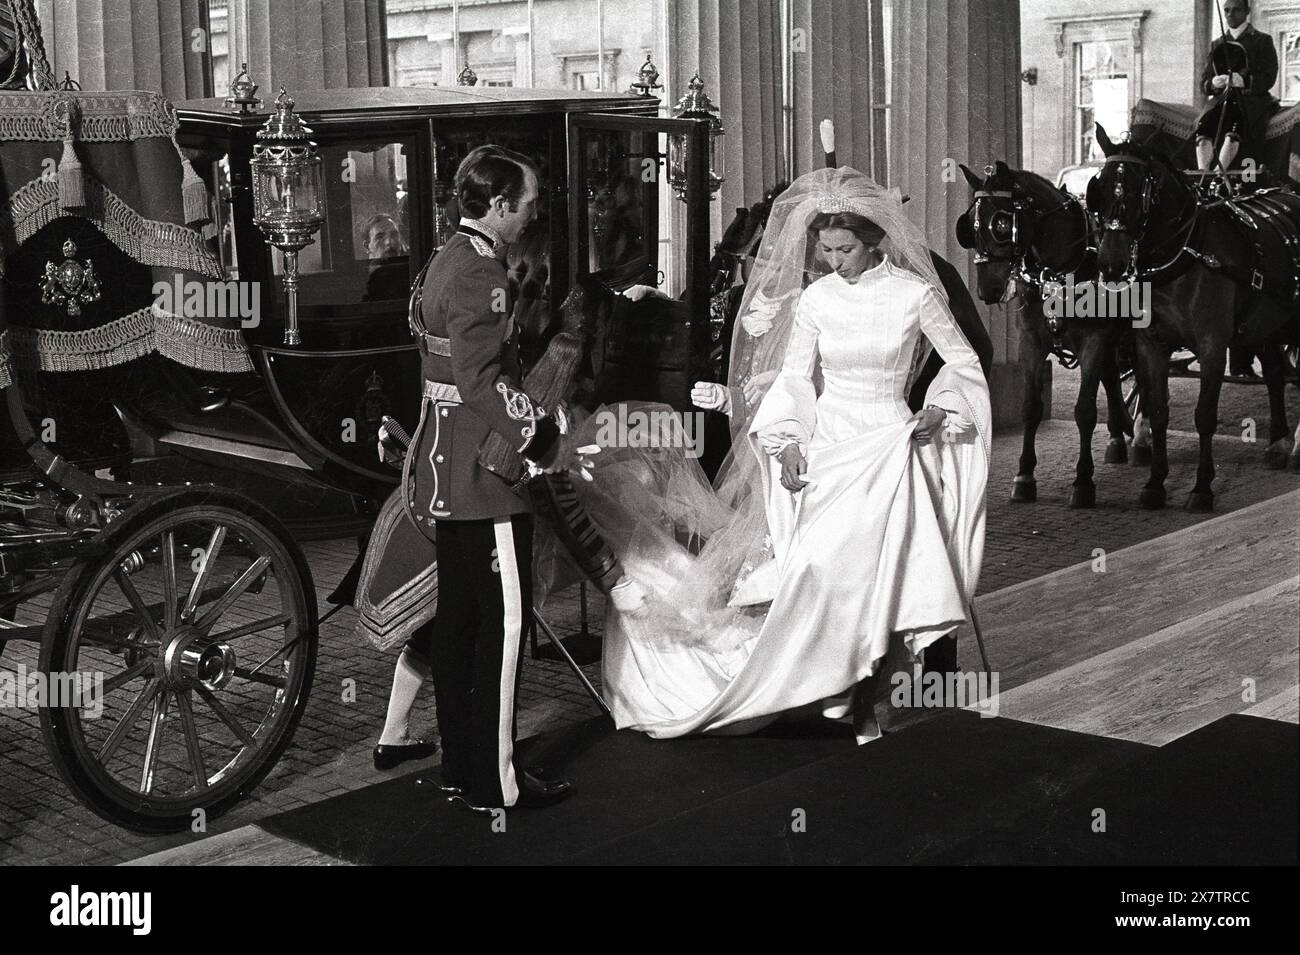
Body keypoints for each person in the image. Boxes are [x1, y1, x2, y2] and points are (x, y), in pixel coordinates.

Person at [576, 167, 990, 742]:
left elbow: (963, 362)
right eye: (825, 249)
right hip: (828, 450)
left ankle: (870, 698)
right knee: (820, 572)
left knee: (882, 577)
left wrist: (942, 409)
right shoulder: (816, 299)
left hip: (891, 447)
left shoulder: (915, 295)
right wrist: (789, 439)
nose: (834, 260)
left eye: (845, 249)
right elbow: (795, 378)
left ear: (874, 241)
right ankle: (829, 684)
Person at [405, 144, 595, 813]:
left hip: (445, 464)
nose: (535, 210)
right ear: (499, 204)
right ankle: (498, 779)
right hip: (485, 471)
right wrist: (539, 435)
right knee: (505, 626)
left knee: (458, 625)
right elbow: (479, 378)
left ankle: (463, 765)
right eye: (529, 201)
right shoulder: (480, 270)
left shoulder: (443, 257)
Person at [1195, 0, 1279, 175]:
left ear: (1247, 11)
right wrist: (1213, 83)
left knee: (1235, 125)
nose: (1229, 14)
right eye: (1226, 10)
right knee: (1203, 127)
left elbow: (1269, 76)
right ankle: (1203, 173)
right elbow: (1205, 82)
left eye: (1235, 10)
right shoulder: (1217, 44)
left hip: (1251, 100)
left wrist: (1244, 81)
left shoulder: (1262, 40)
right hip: (1222, 99)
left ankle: (1220, 172)